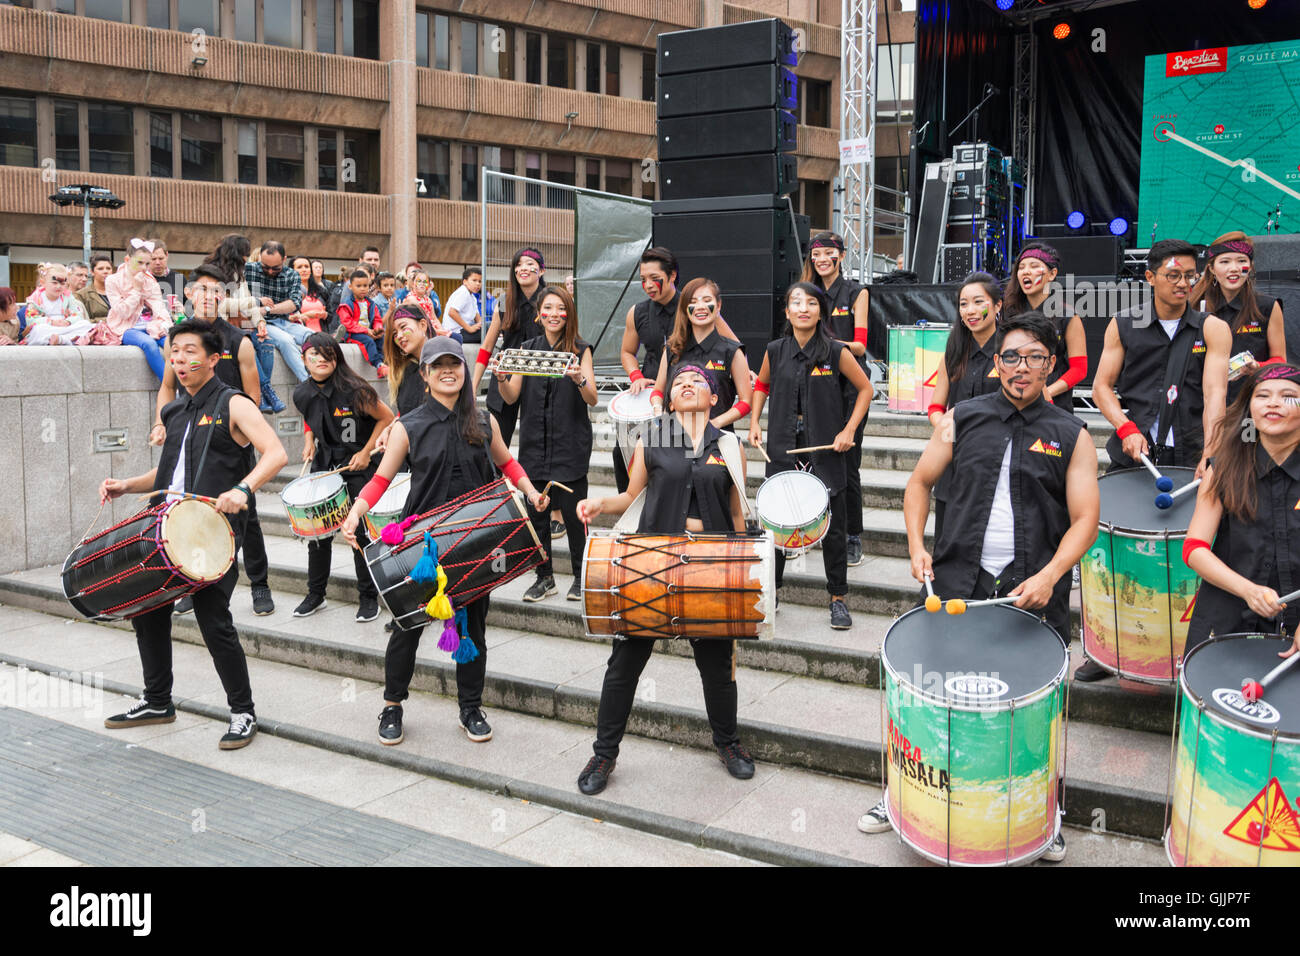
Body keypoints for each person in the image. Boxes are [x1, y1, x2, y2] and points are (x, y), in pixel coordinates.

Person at [855, 311, 1099, 861]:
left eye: (1035, 358)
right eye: (1011, 356)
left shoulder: (1072, 434)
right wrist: (917, 546)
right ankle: (899, 794)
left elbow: (1085, 519)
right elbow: (918, 485)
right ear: (996, 363)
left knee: (1034, 710)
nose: (1022, 368)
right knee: (925, 698)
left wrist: (1052, 575)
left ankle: (1044, 814)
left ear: (1050, 367)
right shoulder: (962, 417)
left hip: (1031, 593)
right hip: (956, 583)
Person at [340, 337, 548, 746]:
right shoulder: (407, 425)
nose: (448, 371)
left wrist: (529, 490)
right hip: (423, 547)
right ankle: (393, 705)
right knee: (407, 627)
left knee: (473, 630)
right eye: (438, 366)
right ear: (425, 375)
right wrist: (355, 512)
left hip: (478, 541)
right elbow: (381, 479)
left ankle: (470, 707)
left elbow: (506, 461)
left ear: (465, 371)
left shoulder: (484, 419)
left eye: (455, 364)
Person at [97, 320, 289, 749]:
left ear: (214, 359)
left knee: (213, 619)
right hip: (165, 525)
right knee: (146, 612)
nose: (180, 360)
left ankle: (243, 712)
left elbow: (276, 453)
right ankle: (157, 700)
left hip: (211, 532)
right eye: (174, 353)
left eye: (188, 352)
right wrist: (127, 484)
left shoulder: (234, 403)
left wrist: (243, 489)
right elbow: (170, 473)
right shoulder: (175, 410)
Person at [574, 364, 756, 794]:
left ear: (714, 398)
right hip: (651, 563)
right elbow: (630, 496)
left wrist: (749, 562)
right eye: (679, 382)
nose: (688, 384)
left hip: (710, 566)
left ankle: (728, 744)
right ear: (669, 399)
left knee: (717, 668)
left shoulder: (729, 445)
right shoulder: (651, 437)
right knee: (624, 666)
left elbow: (736, 512)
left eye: (699, 382)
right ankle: (604, 754)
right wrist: (600, 503)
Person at [1084, 239, 1234, 680]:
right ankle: (1107, 651)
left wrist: (1212, 451)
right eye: (1173, 275)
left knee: (1186, 557)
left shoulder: (1212, 328)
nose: (1184, 283)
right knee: (1115, 553)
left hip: (1189, 452)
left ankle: (1187, 656)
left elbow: (1215, 395)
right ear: (1149, 277)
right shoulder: (1124, 324)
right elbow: (1101, 388)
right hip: (1135, 453)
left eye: (1191, 276)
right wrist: (1126, 427)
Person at [153, 265, 277, 619]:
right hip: (190, 438)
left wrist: (236, 428)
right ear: (189, 294)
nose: (208, 296)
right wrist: (163, 423)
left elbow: (252, 395)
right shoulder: (175, 340)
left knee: (246, 515)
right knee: (190, 511)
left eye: (215, 291)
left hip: (231, 438)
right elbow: (166, 388)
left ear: (223, 297)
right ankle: (194, 581)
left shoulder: (239, 341)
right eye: (201, 290)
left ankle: (259, 583)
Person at [749, 282, 874, 629]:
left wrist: (848, 430)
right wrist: (755, 422)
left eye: (811, 303)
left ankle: (837, 599)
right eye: (795, 303)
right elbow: (761, 385)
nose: (803, 308)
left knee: (832, 526)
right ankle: (770, 594)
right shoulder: (775, 350)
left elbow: (866, 389)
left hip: (825, 448)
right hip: (782, 447)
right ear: (787, 312)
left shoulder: (836, 351)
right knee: (775, 525)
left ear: (821, 311)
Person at [1183, 364, 1300, 653]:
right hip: (1226, 619)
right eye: (1262, 395)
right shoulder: (1223, 467)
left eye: (1288, 396)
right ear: (1249, 407)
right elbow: (1194, 549)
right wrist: (1248, 590)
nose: (1273, 403)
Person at [497, 285, 596, 602]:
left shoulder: (580, 349)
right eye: (548, 308)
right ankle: (544, 577)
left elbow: (592, 398)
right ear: (539, 314)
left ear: (569, 314)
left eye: (561, 308)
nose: (555, 314)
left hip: (571, 444)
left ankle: (581, 577)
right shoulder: (527, 349)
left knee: (573, 515)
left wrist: (579, 378)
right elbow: (511, 396)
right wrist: (501, 378)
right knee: (536, 515)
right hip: (533, 445)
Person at [292, 333, 394, 621]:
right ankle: (316, 594)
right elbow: (310, 416)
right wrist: (309, 440)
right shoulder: (301, 393)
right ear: (303, 360)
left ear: (336, 358)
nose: (321, 360)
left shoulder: (356, 390)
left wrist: (366, 451)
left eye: (327, 355)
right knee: (318, 533)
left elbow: (387, 418)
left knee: (360, 534)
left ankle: (368, 597)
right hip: (325, 466)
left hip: (358, 465)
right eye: (314, 355)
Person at [801, 232, 872, 566]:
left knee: (848, 463)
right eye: (817, 253)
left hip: (848, 384)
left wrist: (830, 346)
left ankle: (852, 534)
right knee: (817, 459)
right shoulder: (807, 293)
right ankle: (820, 525)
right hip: (814, 384)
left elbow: (860, 344)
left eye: (829, 253)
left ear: (841, 256)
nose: (822, 259)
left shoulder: (856, 292)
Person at [926, 273, 1005, 538]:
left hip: (999, 456)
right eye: (963, 304)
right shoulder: (955, 347)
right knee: (948, 537)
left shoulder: (1013, 348)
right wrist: (945, 426)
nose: (970, 310)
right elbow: (936, 407)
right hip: (955, 454)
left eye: (978, 302)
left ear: (997, 306)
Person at [649, 278, 752, 438]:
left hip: (716, 440)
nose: (700, 307)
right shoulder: (672, 349)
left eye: (707, 300)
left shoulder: (732, 351)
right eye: (693, 302)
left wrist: (714, 424)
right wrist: (658, 410)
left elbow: (746, 402)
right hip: (674, 438)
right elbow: (658, 391)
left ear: (718, 305)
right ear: (685, 308)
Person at [1191, 231, 1287, 402]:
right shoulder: (1195, 308)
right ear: (1212, 268)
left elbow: (1280, 361)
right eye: (1225, 262)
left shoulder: (1268, 306)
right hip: (1199, 405)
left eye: (1241, 261)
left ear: (1250, 267)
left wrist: (1258, 367)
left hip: (1250, 404)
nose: (1234, 268)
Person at [1001, 242, 1089, 411]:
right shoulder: (1009, 313)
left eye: (1034, 266)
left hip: (1053, 405)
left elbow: (1079, 369)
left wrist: (1047, 392)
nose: (1026, 271)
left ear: (1052, 274)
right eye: (1021, 267)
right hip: (1013, 401)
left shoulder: (1067, 315)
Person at [473, 247, 547, 445]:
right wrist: (472, 386)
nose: (523, 268)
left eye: (530, 264)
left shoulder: (549, 302)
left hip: (539, 375)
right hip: (505, 373)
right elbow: (487, 346)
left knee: (536, 440)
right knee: (496, 438)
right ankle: (496, 476)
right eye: (518, 264)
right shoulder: (505, 302)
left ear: (541, 270)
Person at [91, 238, 172, 380]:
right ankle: (169, 386)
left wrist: (166, 324)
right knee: (149, 345)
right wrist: (136, 289)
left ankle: (185, 387)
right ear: (127, 259)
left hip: (150, 325)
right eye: (139, 262)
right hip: (125, 328)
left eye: (147, 263)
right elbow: (123, 312)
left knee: (172, 344)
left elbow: (159, 306)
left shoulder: (150, 281)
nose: (144, 267)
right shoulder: (113, 280)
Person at [244, 240, 310, 382]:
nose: (270, 271)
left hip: (284, 321)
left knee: (314, 337)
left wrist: (266, 309)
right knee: (286, 341)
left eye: (276, 268)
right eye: (266, 266)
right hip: (259, 323)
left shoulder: (292, 275)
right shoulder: (248, 269)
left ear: (284, 259)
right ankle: (308, 382)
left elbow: (294, 303)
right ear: (260, 257)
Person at [22, 261, 93, 346]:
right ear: (43, 282)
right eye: (54, 283)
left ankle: (61, 339)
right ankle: (62, 340)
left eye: (63, 283)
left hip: (65, 327)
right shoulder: (36, 298)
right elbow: (31, 320)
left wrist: (68, 322)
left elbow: (78, 315)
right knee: (39, 330)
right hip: (47, 327)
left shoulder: (68, 297)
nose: (59, 286)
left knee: (85, 325)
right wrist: (51, 322)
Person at [336, 268, 387, 375]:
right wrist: (366, 331)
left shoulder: (371, 303)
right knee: (368, 341)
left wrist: (377, 329)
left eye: (365, 286)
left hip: (368, 331)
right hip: (352, 333)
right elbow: (347, 324)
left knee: (381, 338)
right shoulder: (346, 304)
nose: (363, 289)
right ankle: (378, 364)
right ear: (350, 286)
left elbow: (377, 319)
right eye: (358, 286)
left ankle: (382, 362)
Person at [444, 266, 485, 342]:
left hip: (464, 330)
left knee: (490, 327)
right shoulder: (463, 292)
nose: (478, 284)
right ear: (465, 281)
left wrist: (481, 325)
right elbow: (452, 312)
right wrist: (469, 328)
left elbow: (477, 316)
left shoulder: (472, 297)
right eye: (474, 280)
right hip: (456, 333)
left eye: (480, 281)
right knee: (490, 330)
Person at [292, 255, 330, 333]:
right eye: (299, 267)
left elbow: (333, 316)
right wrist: (307, 315)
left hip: (323, 335)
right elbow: (285, 320)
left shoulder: (322, 290)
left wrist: (325, 315)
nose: (304, 270)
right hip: (300, 336)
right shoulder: (288, 292)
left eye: (306, 266)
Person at [75, 254, 115, 324]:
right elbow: (80, 321)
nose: (105, 271)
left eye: (108, 268)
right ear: (92, 272)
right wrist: (108, 320)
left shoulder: (119, 292)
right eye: (100, 269)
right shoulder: (81, 295)